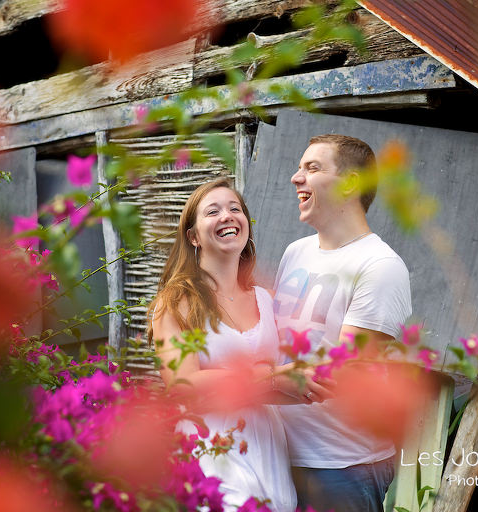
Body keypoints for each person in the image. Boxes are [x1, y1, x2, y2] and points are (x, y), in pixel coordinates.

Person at [148, 178, 331, 512]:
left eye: (235, 209)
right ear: (193, 237)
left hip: (267, 447)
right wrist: (273, 377)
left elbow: (265, 387)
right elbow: (182, 383)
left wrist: (306, 387)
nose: (228, 216)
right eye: (213, 211)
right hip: (212, 448)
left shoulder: (265, 298)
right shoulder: (176, 301)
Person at [273, 134, 413, 512]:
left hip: (342, 466)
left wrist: (248, 382)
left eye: (312, 168)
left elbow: (341, 370)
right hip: (277, 454)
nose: (295, 177)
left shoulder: (379, 266)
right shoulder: (295, 252)